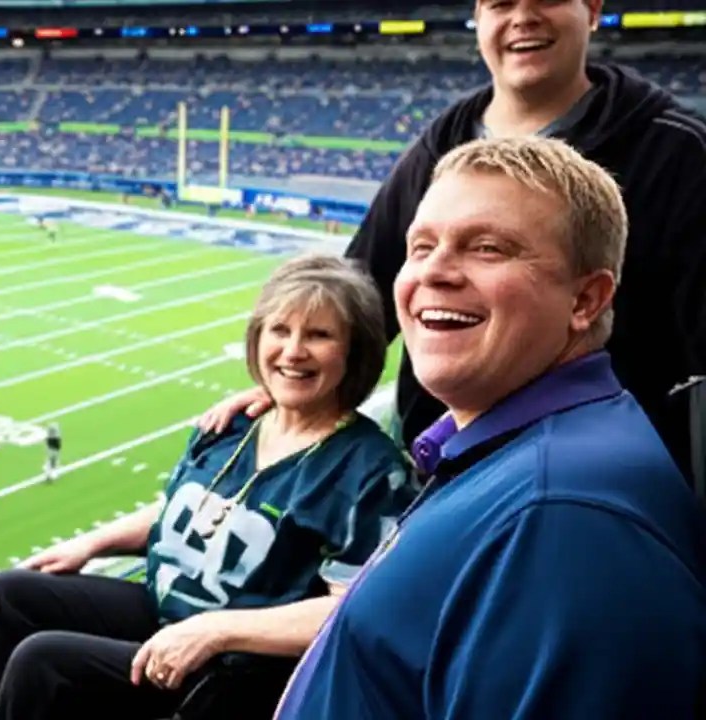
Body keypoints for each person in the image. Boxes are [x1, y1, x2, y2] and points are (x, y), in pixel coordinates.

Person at [275, 137, 706, 719]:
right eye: (420, 245)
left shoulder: (561, 516)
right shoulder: (524, 453)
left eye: (487, 248)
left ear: (585, 299)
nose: (434, 271)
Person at [201, 0, 706, 483]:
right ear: (478, 17)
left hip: (593, 480)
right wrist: (292, 381)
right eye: (501, 4)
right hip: (440, 464)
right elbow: (359, 296)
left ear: (592, 9)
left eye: (546, 0)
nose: (523, 18)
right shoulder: (439, 146)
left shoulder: (677, 152)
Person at [0, 255, 416, 720]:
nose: (293, 350)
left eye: (319, 335)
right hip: (170, 607)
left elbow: (349, 612)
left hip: (238, 665)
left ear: (354, 353)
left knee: (44, 664)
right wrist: (94, 543)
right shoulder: (235, 425)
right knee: (10, 596)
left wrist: (217, 631)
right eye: (280, 330)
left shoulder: (370, 471)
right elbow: (182, 510)